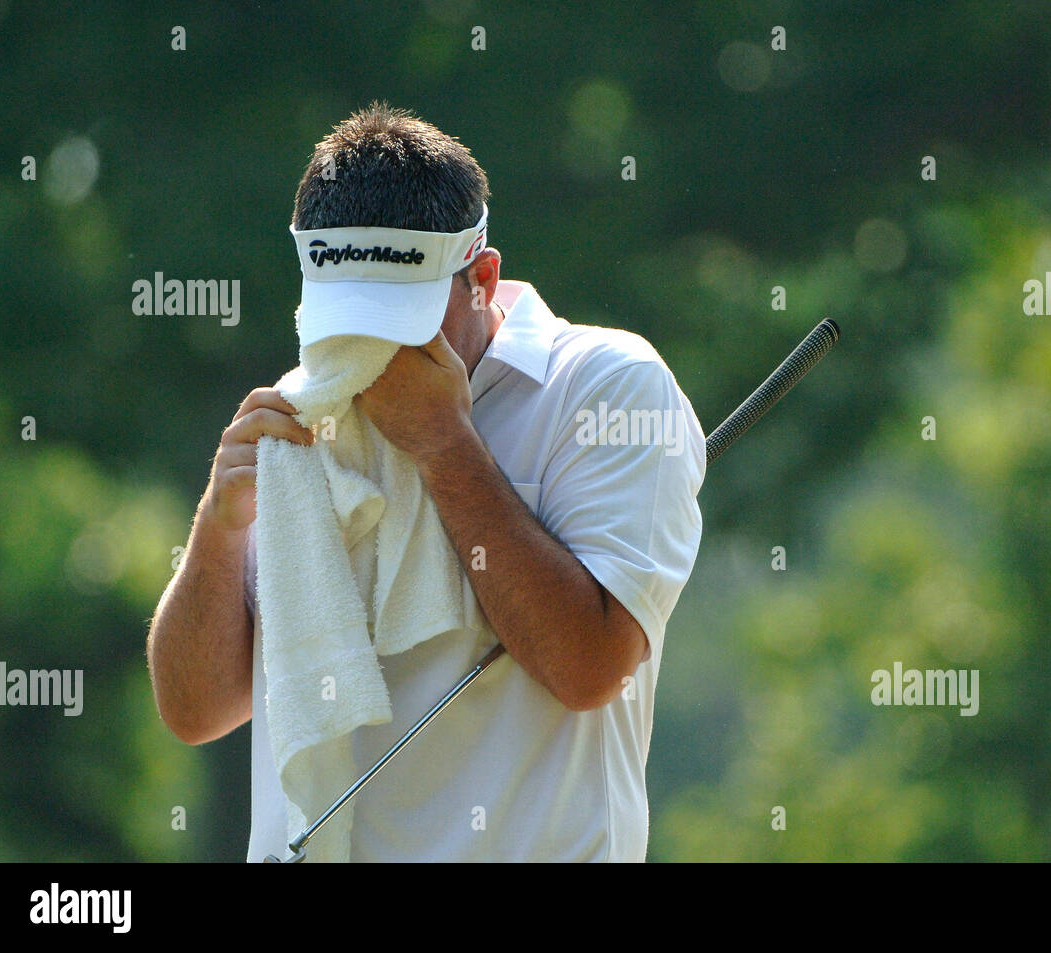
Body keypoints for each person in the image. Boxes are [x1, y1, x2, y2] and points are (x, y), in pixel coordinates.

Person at [146, 103, 706, 862]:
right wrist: (218, 525)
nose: (369, 348)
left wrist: (445, 444)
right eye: (348, 318)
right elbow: (195, 710)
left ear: (483, 277)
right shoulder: (303, 409)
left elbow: (588, 666)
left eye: (400, 319)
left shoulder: (609, 389)